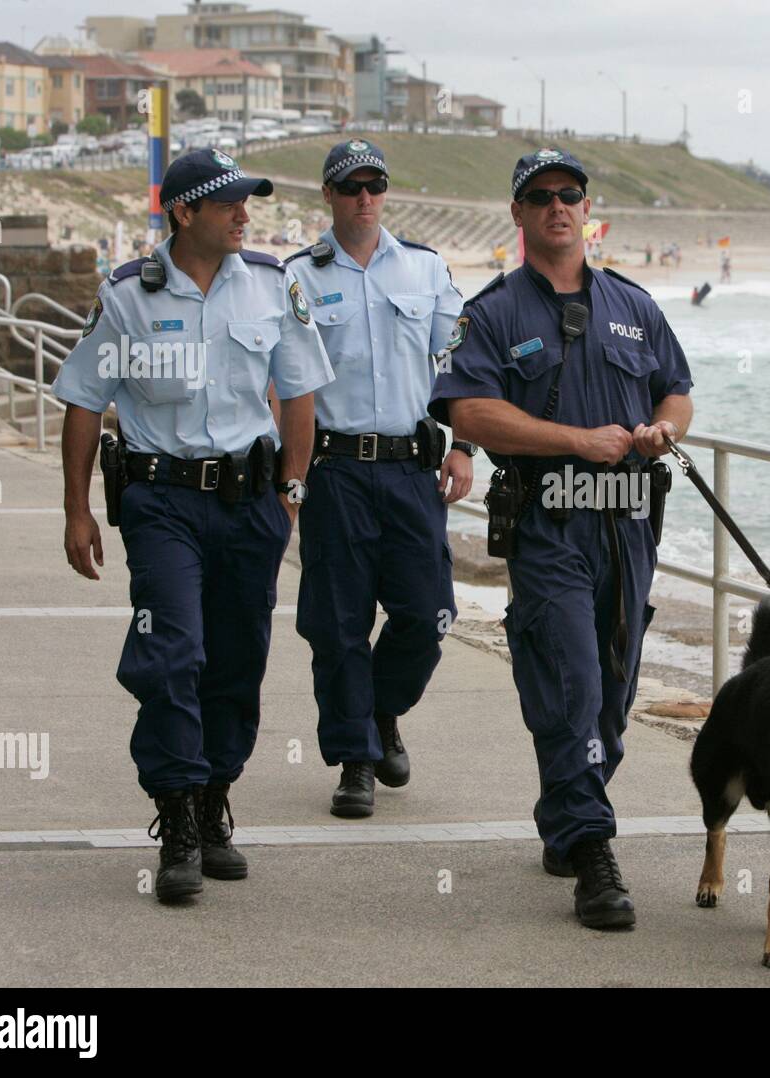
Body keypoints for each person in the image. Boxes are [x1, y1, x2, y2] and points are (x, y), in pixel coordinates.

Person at [52, 149, 334, 903]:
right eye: (230, 204)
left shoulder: (274, 287)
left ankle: (214, 802)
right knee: (172, 651)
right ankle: (176, 815)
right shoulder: (127, 298)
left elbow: (299, 392)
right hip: (162, 502)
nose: (246, 214)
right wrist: (78, 509)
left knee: (237, 659)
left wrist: (292, 492)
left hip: (250, 505)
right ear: (184, 213)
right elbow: (85, 400)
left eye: (249, 203)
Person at [429, 149, 693, 929]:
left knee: (614, 695)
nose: (556, 207)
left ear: (587, 208)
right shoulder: (494, 312)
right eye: (539, 197)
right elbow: (468, 413)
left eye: (568, 194)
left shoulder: (634, 305)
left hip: (631, 525)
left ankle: (568, 810)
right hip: (550, 523)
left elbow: (676, 389)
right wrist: (577, 440)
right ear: (518, 214)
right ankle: (593, 852)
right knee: (572, 680)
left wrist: (660, 432)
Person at [284, 139, 471, 816]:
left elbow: (460, 364)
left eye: (375, 185)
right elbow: (284, 386)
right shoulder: (297, 276)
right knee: (336, 626)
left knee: (428, 615)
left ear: (385, 192)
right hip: (334, 473)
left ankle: (381, 712)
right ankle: (355, 760)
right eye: (351, 186)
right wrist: (290, 481)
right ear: (329, 195)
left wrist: (465, 446)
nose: (365, 197)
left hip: (410, 473)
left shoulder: (425, 269)